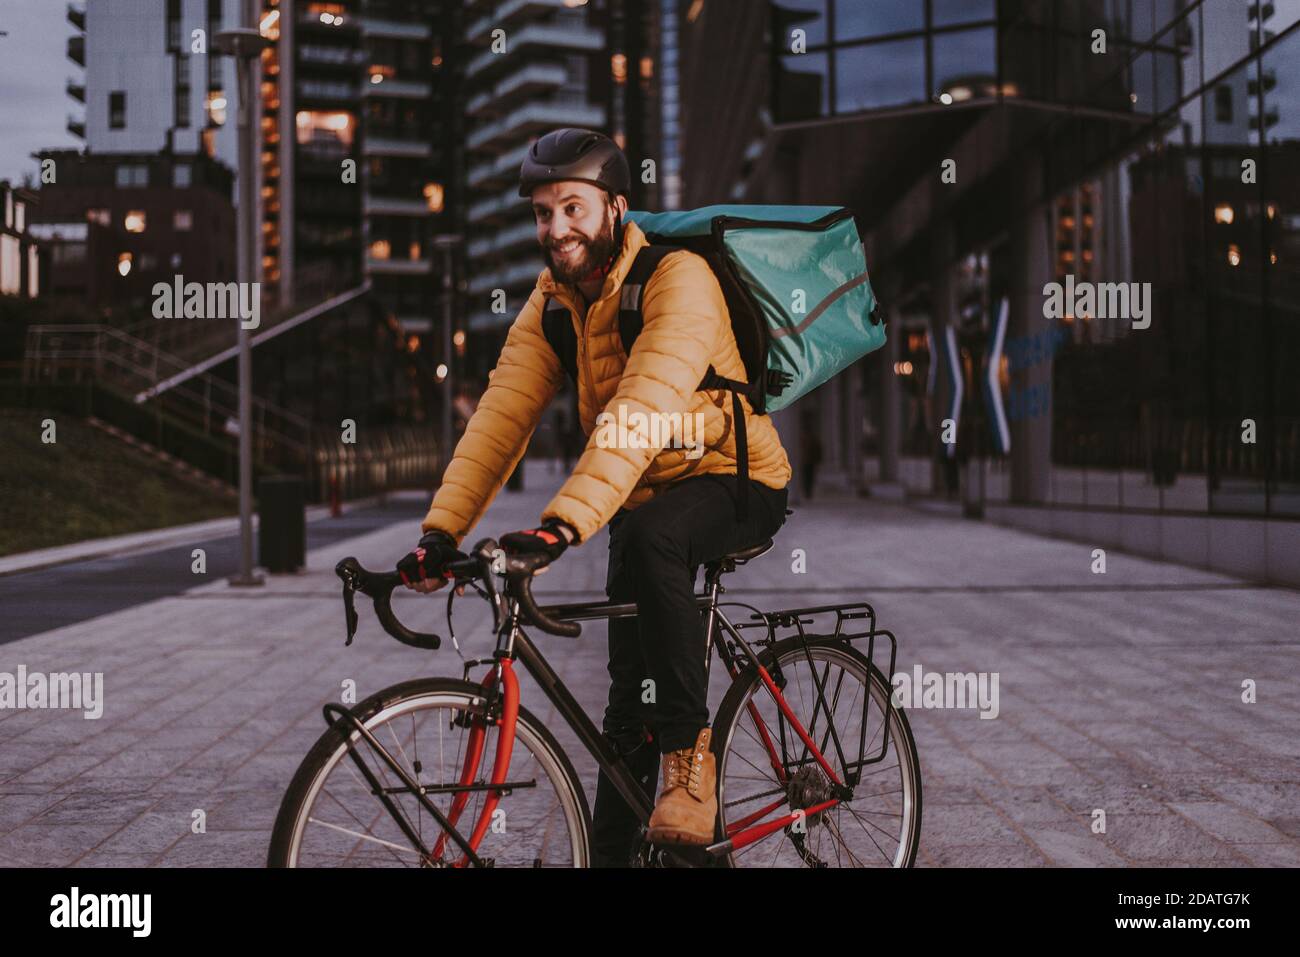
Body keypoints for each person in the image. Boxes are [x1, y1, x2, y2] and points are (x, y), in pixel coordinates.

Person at [396, 128, 791, 866]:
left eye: (572, 207)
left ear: (615, 207)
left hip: (736, 479)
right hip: (640, 496)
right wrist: (439, 533)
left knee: (652, 541)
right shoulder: (553, 304)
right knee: (624, 713)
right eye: (544, 213)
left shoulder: (678, 280)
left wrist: (560, 526)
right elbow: (499, 418)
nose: (556, 229)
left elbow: (640, 408)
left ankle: (689, 762)